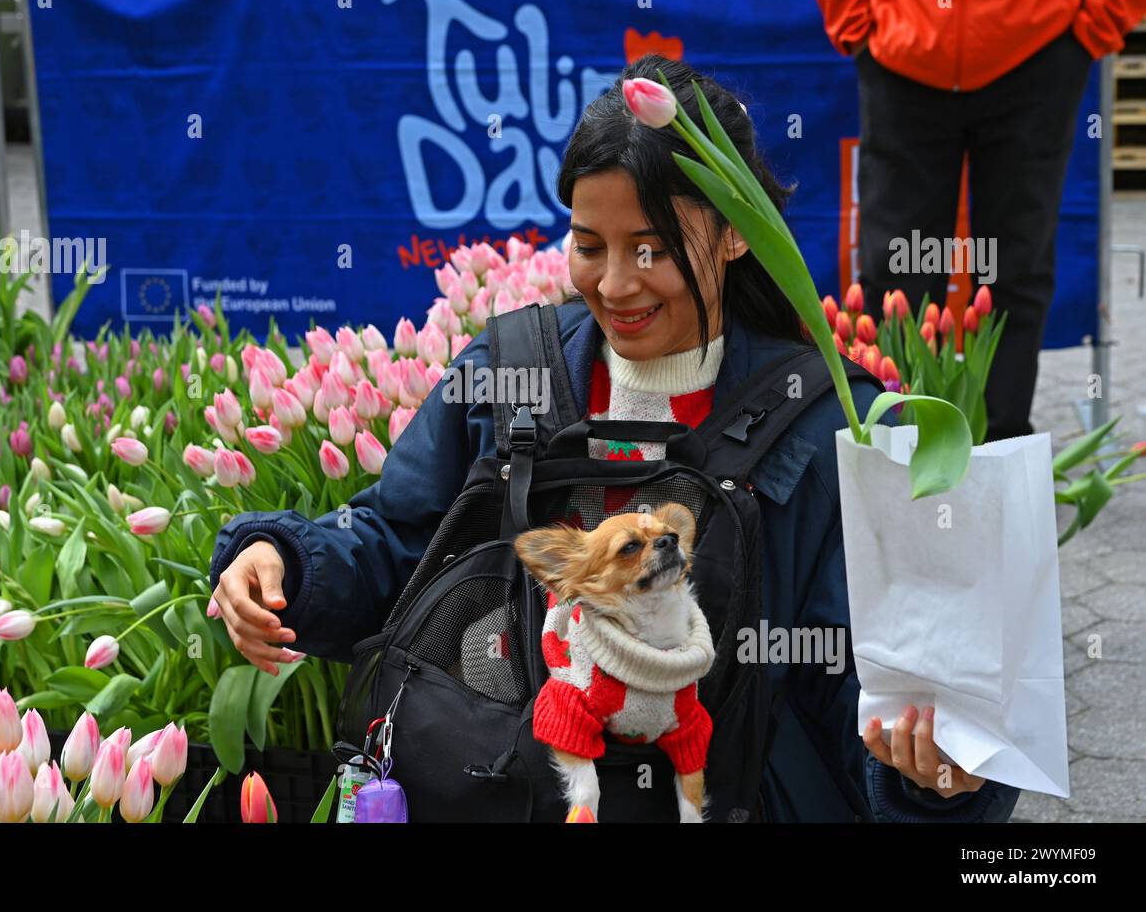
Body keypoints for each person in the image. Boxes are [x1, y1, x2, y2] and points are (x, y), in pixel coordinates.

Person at [209, 55, 1020, 822]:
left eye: (653, 250)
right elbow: (400, 540)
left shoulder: (821, 419)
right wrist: (282, 564)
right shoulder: (513, 367)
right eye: (589, 247)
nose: (616, 284)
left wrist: (934, 778)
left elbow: (854, 678)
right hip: (510, 788)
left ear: (737, 233)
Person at [814, 0, 1146, 441]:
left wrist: (1086, 37)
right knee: (899, 270)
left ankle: (1003, 448)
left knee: (1016, 266)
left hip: (1034, 62)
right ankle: (898, 439)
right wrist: (859, 27)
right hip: (904, 62)